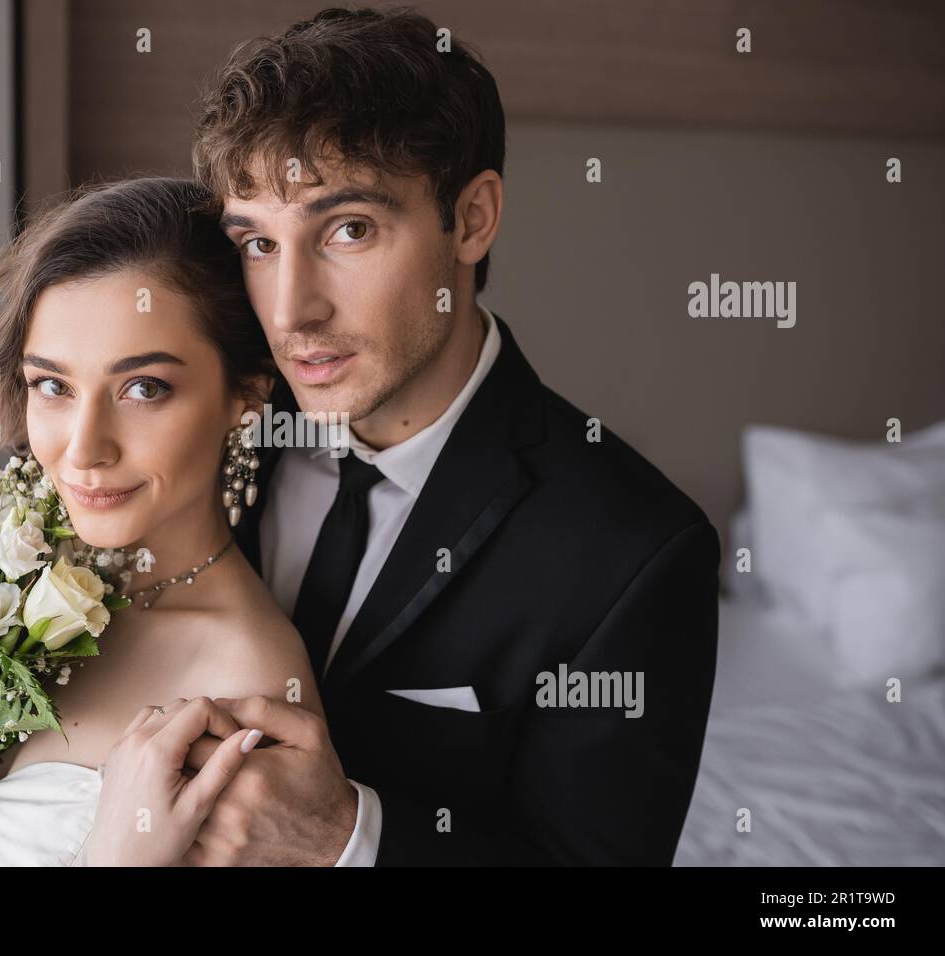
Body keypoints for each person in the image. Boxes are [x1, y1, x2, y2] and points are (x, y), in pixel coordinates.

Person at [91, 6, 721, 866]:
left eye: (348, 230)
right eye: (258, 243)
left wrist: (348, 837)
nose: (290, 311)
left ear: (473, 218)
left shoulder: (635, 553)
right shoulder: (195, 420)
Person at [0, 176, 349, 866]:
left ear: (246, 395)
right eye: (53, 385)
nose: (83, 449)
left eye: (144, 388)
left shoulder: (244, 682)